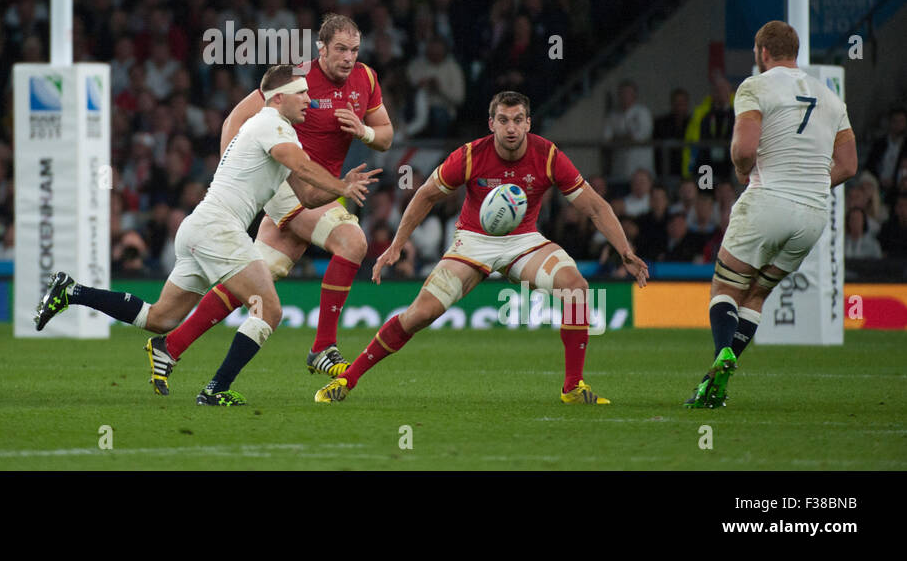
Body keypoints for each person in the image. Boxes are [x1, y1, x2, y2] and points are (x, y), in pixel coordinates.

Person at [33, 64, 378, 405]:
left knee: (160, 318)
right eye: (301, 93)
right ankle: (215, 389)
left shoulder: (271, 132)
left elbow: (306, 197)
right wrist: (341, 185)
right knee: (269, 310)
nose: (309, 99)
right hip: (219, 229)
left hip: (199, 227)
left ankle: (72, 291)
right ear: (278, 98)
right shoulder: (272, 123)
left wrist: (341, 187)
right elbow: (303, 166)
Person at [316, 90, 649, 406]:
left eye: (518, 120)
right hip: (473, 242)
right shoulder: (471, 155)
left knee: (576, 288)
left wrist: (625, 251)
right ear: (491, 124)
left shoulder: (547, 155)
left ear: (528, 123)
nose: (511, 128)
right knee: (421, 314)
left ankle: (573, 387)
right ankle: (348, 379)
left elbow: (595, 207)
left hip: (524, 241)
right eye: (503, 120)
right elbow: (426, 195)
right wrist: (396, 246)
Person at [152, 14, 394, 380]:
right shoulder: (297, 78)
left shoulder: (367, 78)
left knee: (258, 275)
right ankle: (322, 347)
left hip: (320, 188)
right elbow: (235, 120)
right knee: (352, 240)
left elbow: (386, 135)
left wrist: (363, 131)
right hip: (288, 184)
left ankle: (170, 346)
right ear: (322, 49)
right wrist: (230, 173)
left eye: (355, 50)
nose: (348, 57)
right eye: (341, 49)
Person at [685, 21, 857, 408]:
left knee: (726, 287)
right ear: (794, 52)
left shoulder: (755, 86)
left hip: (768, 201)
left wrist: (742, 170)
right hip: (813, 214)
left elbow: (745, 149)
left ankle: (721, 355)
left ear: (762, 53)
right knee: (758, 293)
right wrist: (810, 183)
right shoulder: (830, 99)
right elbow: (848, 165)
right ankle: (716, 381)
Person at [603, 80, 654, 180]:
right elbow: (606, 139)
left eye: (629, 93)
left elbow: (641, 136)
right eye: (622, 93)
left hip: (640, 165)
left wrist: (618, 138)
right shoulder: (612, 115)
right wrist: (626, 138)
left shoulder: (643, 112)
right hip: (619, 167)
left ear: (635, 95)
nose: (625, 96)